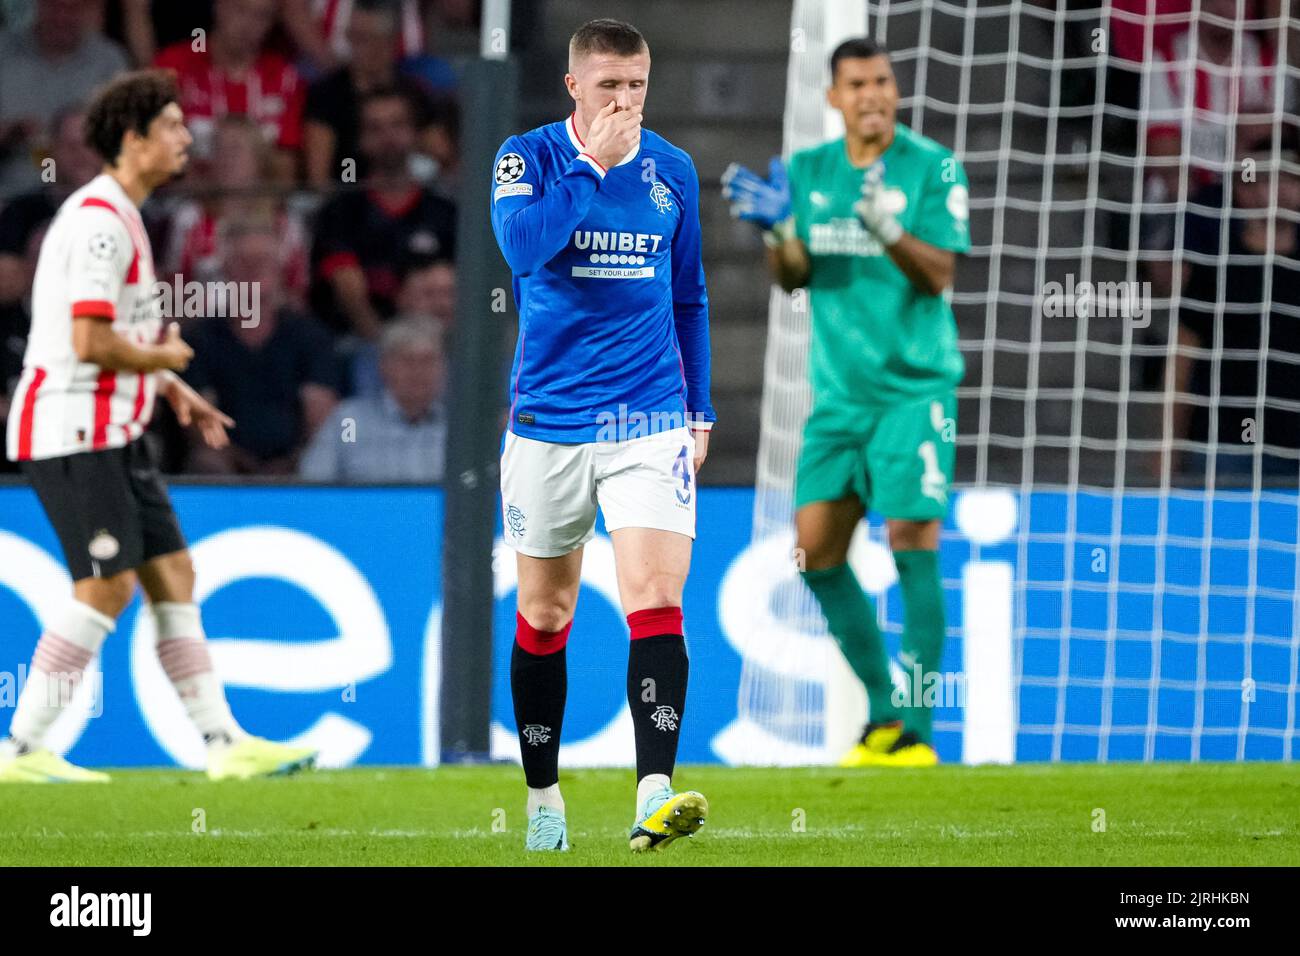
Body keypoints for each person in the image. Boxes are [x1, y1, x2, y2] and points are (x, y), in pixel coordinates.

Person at [0, 70, 316, 784]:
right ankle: (20, 750)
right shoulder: (100, 223)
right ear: (134, 139)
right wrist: (165, 357)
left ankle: (221, 743)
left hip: (114, 426)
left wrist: (170, 385)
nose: (186, 138)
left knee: (174, 573)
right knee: (106, 586)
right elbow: (87, 342)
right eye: (172, 126)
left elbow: (110, 334)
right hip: (73, 428)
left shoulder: (122, 216)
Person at [491, 19, 714, 853]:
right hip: (549, 422)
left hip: (647, 418)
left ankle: (653, 791)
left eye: (638, 87)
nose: (627, 102)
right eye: (610, 86)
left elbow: (688, 296)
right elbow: (522, 247)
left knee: (655, 598)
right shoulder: (528, 157)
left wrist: (698, 411)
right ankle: (543, 798)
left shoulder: (674, 172)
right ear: (575, 87)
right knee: (546, 613)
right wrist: (590, 168)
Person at [722, 37, 971, 768]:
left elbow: (937, 276)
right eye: (857, 83)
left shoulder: (932, 166)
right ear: (833, 97)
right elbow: (793, 278)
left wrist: (887, 228)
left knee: (912, 544)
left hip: (913, 391)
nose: (873, 94)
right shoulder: (808, 171)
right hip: (838, 401)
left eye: (883, 81)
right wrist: (780, 231)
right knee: (815, 550)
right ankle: (883, 710)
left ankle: (917, 734)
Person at [182, 220, 339, 474]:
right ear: (224, 269)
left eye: (263, 260)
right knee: (207, 461)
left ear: (280, 267)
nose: (253, 270)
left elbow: (320, 418)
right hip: (226, 463)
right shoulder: (199, 339)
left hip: (296, 463)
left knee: (319, 461)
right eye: (242, 261)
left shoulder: (311, 337)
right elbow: (200, 422)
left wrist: (291, 462)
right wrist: (242, 462)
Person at [310, 87, 456, 340]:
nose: (388, 137)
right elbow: (347, 289)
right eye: (375, 128)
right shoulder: (340, 211)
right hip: (358, 343)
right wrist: (384, 346)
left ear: (415, 133)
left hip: (436, 346)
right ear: (360, 139)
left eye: (398, 125)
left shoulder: (444, 212)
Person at [153, 0, 306, 184]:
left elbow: (285, 170)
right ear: (219, 6)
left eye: (261, 16)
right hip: (183, 203)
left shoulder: (285, 78)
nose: (248, 24)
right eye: (240, 9)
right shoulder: (173, 68)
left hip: (258, 207)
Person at [0, 0, 130, 199]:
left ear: (89, 11)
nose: (62, 17)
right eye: (54, 6)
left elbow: (127, 141)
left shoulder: (109, 62)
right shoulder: (4, 54)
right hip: (12, 194)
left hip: (86, 195)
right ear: (38, 5)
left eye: (73, 8)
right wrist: (8, 132)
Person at [298, 315, 446, 482]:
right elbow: (315, 481)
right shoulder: (350, 422)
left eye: (428, 361)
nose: (418, 371)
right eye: (407, 361)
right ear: (384, 366)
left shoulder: (459, 426)